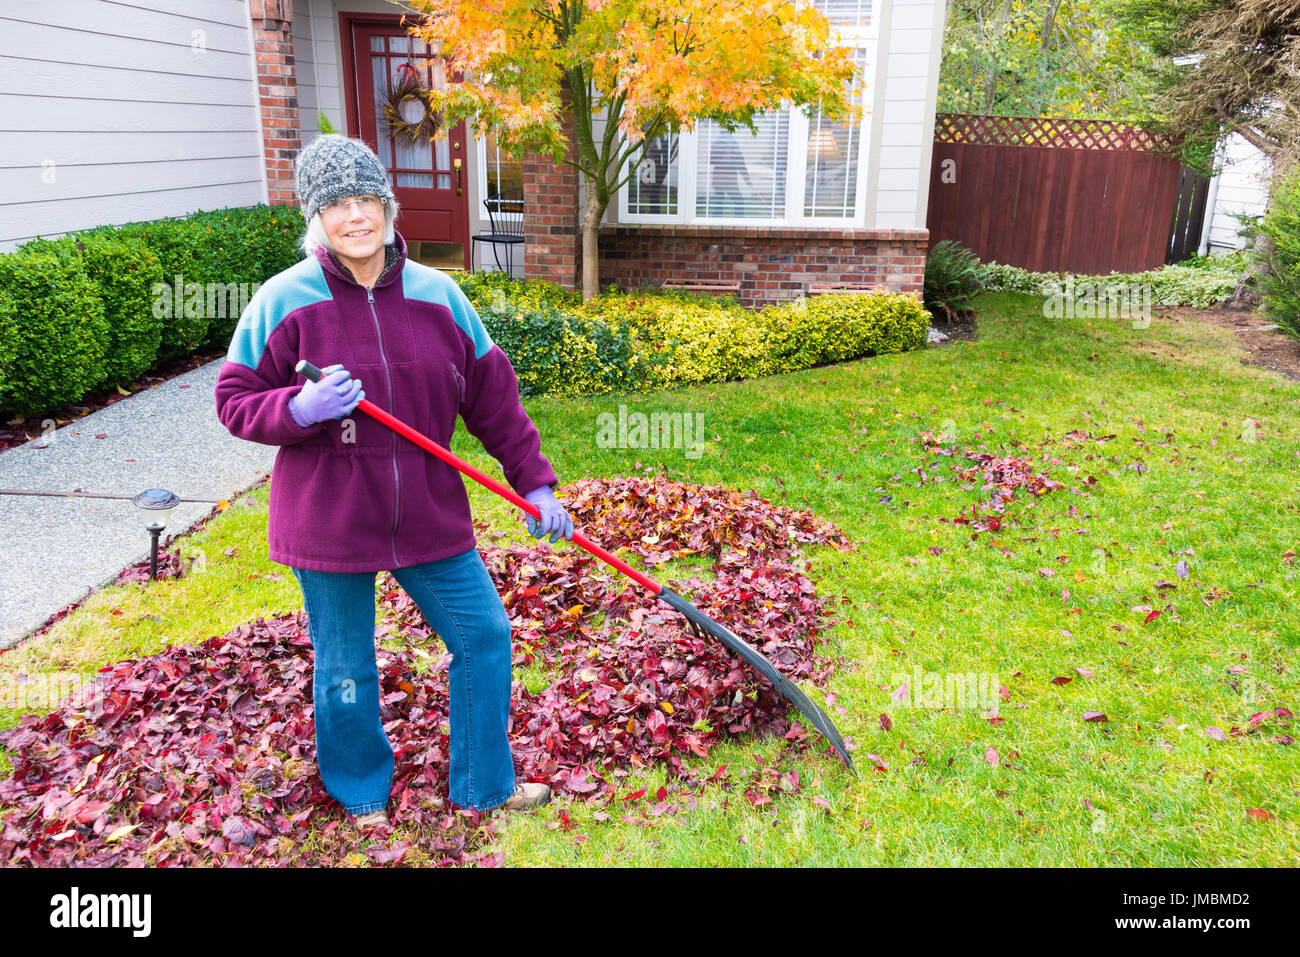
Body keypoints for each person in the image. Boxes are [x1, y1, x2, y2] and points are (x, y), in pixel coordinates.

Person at [214, 134, 574, 830]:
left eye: (366, 200)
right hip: (331, 515)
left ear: (387, 204)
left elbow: (493, 399)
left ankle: (482, 785)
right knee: (346, 662)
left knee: (485, 635)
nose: (356, 216)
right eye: (337, 205)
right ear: (315, 219)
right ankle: (360, 792)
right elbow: (234, 398)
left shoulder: (438, 295)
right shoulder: (284, 299)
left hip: (427, 510)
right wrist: (297, 408)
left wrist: (536, 483)